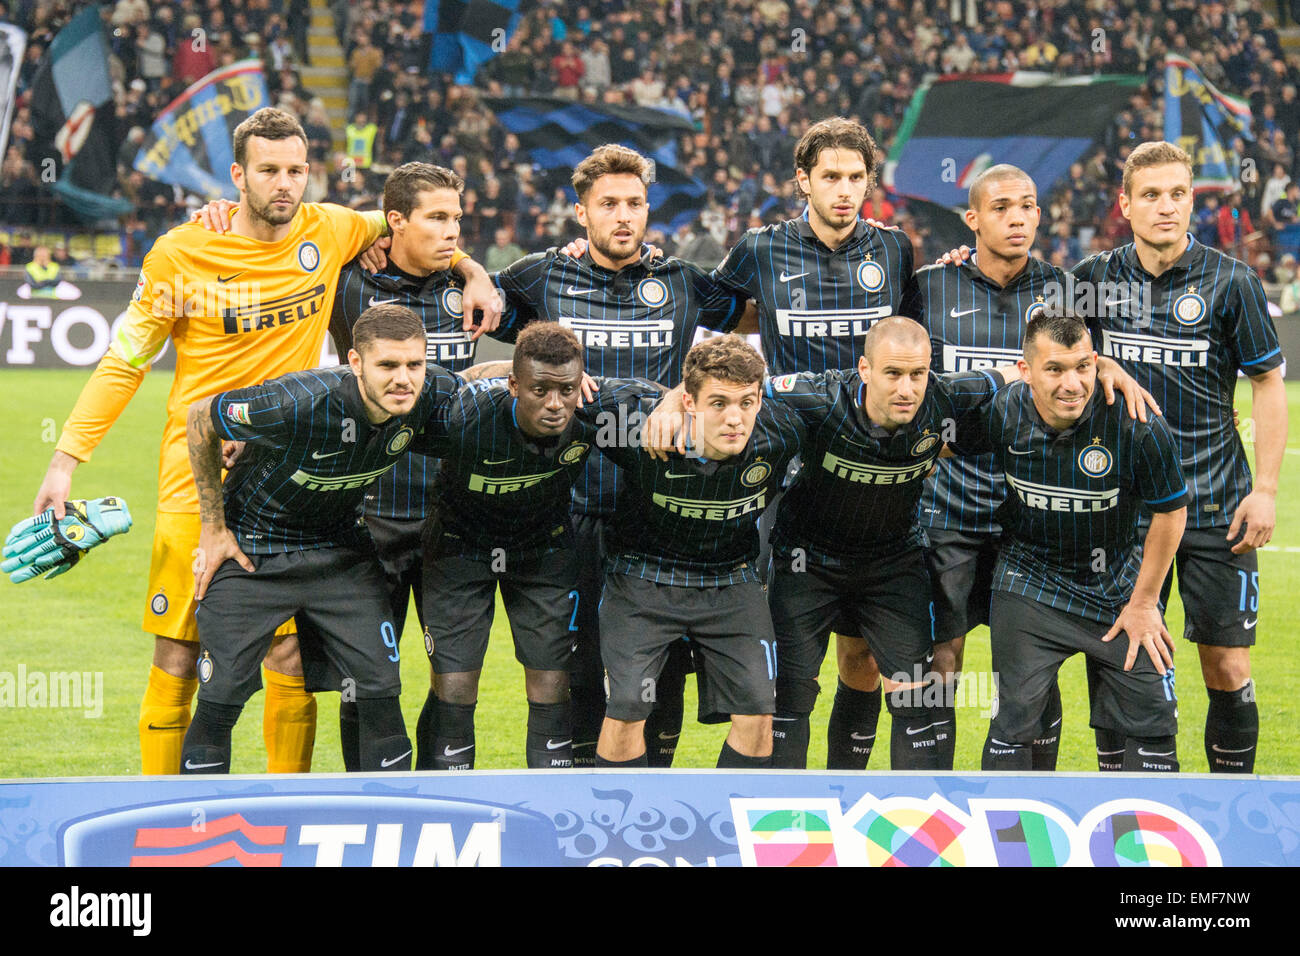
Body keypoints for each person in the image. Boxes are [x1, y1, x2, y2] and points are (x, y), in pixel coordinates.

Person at [33, 107, 495, 776]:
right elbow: (124, 362)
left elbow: (421, 230)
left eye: (296, 170)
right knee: (179, 654)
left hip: (289, 486)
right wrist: (65, 459)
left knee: (288, 660)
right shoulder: (180, 252)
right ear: (236, 176)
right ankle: (160, 815)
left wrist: (473, 272)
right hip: (196, 479)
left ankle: (289, 813)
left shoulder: (328, 227)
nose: (285, 184)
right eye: (269, 171)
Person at [492, 144, 748, 766]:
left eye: (635, 203)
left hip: (658, 508)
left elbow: (746, 307)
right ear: (581, 212)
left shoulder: (683, 281)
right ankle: (574, 787)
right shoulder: (541, 276)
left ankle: (652, 790)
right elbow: (472, 298)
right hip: (569, 503)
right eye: (608, 204)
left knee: (662, 666)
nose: (624, 216)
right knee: (573, 659)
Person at [1074, 142, 1287, 773]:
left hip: (1217, 504)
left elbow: (1269, 382)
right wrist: (1099, 360)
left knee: (1227, 665)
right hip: (1124, 511)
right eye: (1150, 195)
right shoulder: (1092, 281)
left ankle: (1231, 804)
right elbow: (1046, 355)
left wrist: (1267, 488)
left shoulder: (1233, 281)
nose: (1165, 207)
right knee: (1125, 656)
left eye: (1177, 194)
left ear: (1191, 199)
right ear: (1125, 204)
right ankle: (1130, 802)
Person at [181, 306, 463, 774]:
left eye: (414, 365)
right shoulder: (295, 401)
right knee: (222, 692)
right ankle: (199, 832)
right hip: (255, 551)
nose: (404, 380)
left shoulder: (431, 391)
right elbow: (200, 419)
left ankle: (386, 825)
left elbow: (479, 378)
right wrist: (213, 529)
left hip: (340, 552)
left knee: (378, 689)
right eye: (387, 366)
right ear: (355, 362)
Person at [328, 161, 519, 771]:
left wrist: (475, 270)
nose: (452, 232)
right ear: (394, 223)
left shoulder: (470, 289)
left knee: (454, 677)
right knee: (365, 676)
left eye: (457, 219)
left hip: (453, 516)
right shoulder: (346, 284)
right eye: (437, 218)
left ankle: (442, 802)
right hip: (368, 512)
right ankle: (368, 800)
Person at [414, 323, 661, 770]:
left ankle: (552, 816)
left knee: (551, 683)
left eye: (566, 389)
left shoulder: (595, 408)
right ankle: (445, 808)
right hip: (458, 548)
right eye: (539, 389)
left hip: (542, 549)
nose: (554, 404)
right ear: (513, 385)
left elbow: (685, 401)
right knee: (454, 687)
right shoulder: (463, 415)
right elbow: (399, 406)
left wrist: (674, 408)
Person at [969, 315, 1188, 772]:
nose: (1072, 384)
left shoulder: (1136, 421)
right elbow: (936, 440)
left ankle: (1137, 837)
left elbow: (1171, 511)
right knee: (1012, 724)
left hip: (1117, 589)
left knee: (1154, 728)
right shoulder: (1002, 410)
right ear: (1025, 371)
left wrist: (1145, 602)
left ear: (1096, 364)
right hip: (1029, 582)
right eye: (1054, 370)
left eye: (1082, 367)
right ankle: (1012, 840)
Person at [916, 164, 1075, 770]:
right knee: (941, 656)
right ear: (972, 219)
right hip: (947, 507)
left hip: (1029, 510)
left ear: (1039, 215)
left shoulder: (1067, 291)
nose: (1017, 217)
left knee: (1030, 661)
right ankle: (936, 795)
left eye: (1028, 205)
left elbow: (1090, 379)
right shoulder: (930, 287)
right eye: (1001, 206)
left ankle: (1031, 797)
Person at [594, 335, 805, 768]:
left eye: (747, 403)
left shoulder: (784, 430)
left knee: (759, 712)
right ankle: (619, 828)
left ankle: (728, 829)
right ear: (690, 401)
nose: (735, 418)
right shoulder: (636, 424)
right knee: (628, 706)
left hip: (732, 579)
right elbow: (552, 381)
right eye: (719, 403)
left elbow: (855, 397)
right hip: (641, 575)